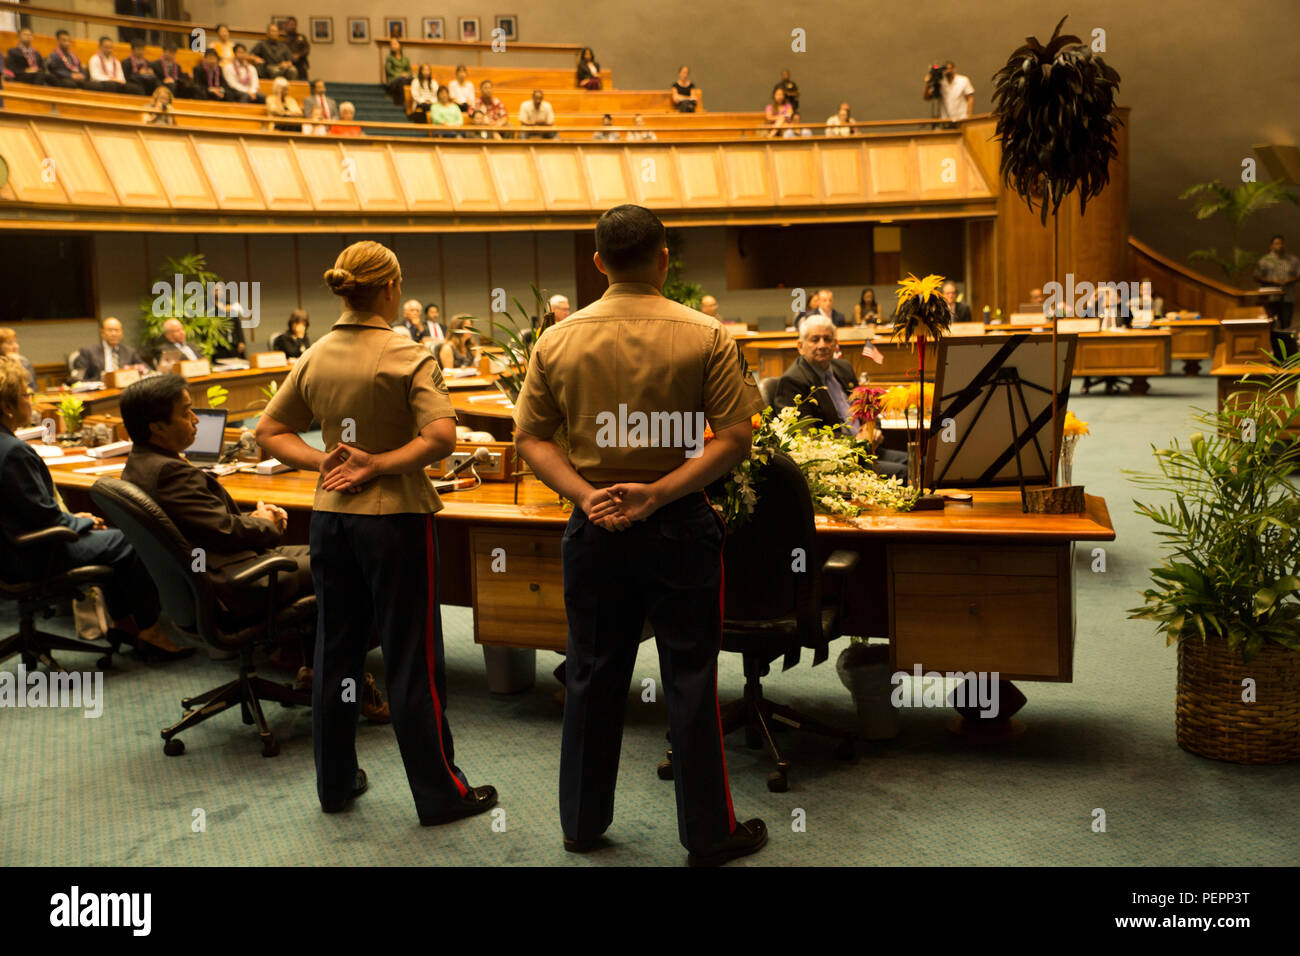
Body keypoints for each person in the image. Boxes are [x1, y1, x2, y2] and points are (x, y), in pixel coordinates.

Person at [512, 203, 768, 866]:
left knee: (592, 674)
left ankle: (581, 824)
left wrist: (587, 495)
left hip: (594, 527)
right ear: (663, 259)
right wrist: (657, 493)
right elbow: (737, 438)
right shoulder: (706, 333)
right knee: (690, 676)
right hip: (678, 525)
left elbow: (530, 439)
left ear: (597, 262)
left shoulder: (556, 339)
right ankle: (709, 834)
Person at [254, 240, 497, 822]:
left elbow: (269, 431)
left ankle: (335, 785)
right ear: (390, 289)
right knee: (412, 658)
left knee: (335, 652)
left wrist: (329, 464)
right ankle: (441, 794)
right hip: (395, 521)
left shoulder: (316, 353)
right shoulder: (406, 353)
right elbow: (442, 438)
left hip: (332, 521)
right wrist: (378, 463)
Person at [0, 362, 191, 661]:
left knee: (111, 544)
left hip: (10, 550)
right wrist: (81, 522)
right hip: (29, 555)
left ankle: (126, 625)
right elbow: (42, 515)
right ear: (8, 406)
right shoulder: (12, 452)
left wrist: (77, 522)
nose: (31, 401)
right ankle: (150, 630)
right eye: (25, 395)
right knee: (129, 541)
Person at [773, 315, 908, 478]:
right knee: (904, 472)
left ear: (835, 344)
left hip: (867, 450)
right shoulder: (793, 381)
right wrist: (856, 441)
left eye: (827, 339)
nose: (822, 345)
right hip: (838, 462)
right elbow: (806, 438)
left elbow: (867, 405)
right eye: (815, 340)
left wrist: (873, 428)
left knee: (917, 462)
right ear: (800, 346)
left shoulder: (843, 368)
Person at [71, 316, 148, 383]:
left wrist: (140, 370)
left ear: (122, 333)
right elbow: (76, 379)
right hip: (99, 392)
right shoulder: (88, 352)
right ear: (102, 333)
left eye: (117, 330)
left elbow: (146, 369)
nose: (114, 334)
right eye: (110, 330)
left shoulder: (129, 352)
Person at [1254, 235, 1300, 330]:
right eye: (1277, 243)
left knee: (1286, 325)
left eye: (1281, 243)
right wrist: (1272, 281)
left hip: (1287, 297)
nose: (1280, 246)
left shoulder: (1293, 260)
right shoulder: (1264, 260)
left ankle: (1285, 344)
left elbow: (1298, 275)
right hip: (1270, 298)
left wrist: (1289, 280)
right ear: (1271, 246)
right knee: (1270, 325)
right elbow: (1256, 276)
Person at [384, 38, 412, 103]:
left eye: (395, 44)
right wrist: (400, 75)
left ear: (400, 45)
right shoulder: (389, 58)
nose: (393, 46)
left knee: (413, 79)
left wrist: (407, 74)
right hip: (393, 80)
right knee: (402, 80)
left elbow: (409, 70)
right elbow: (389, 70)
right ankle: (401, 102)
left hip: (405, 78)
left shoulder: (406, 59)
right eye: (391, 45)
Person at [284, 16, 311, 82]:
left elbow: (306, 49)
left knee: (303, 83)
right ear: (286, 25)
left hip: (300, 64)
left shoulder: (301, 37)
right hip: (288, 65)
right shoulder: (283, 38)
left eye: (294, 24)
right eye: (290, 24)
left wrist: (299, 55)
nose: (292, 26)